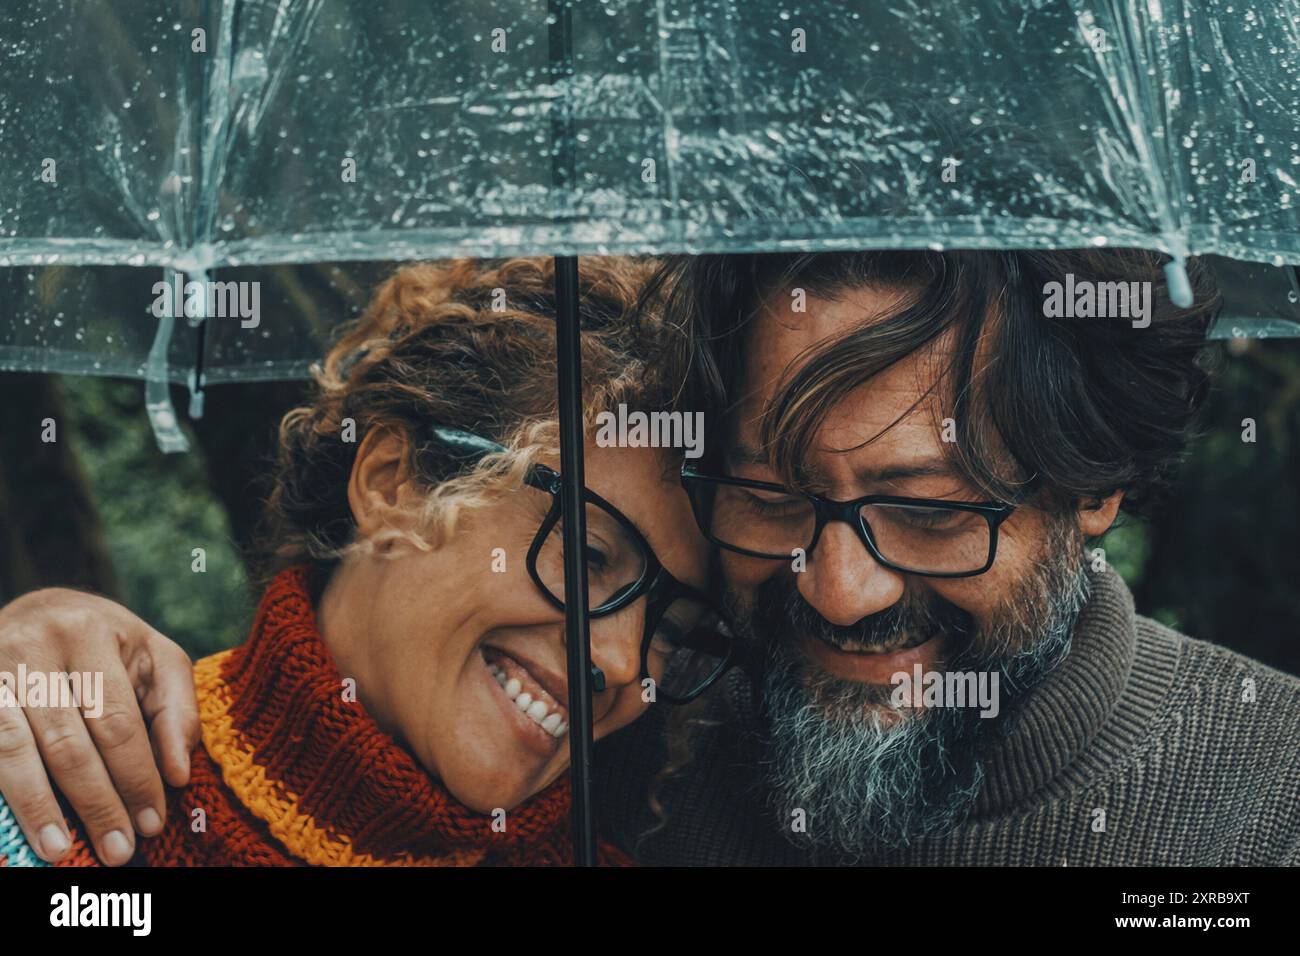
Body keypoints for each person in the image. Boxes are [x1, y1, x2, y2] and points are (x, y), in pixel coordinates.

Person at [5, 249, 1298, 866]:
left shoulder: (1269, 800)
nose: (837, 589)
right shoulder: (667, 772)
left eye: (930, 511)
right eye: (774, 497)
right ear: (394, 472)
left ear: (1095, 492)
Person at [0, 256, 730, 867]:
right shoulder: (55, 804)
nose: (626, 663)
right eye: (589, 552)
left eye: (674, 626)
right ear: (390, 483)